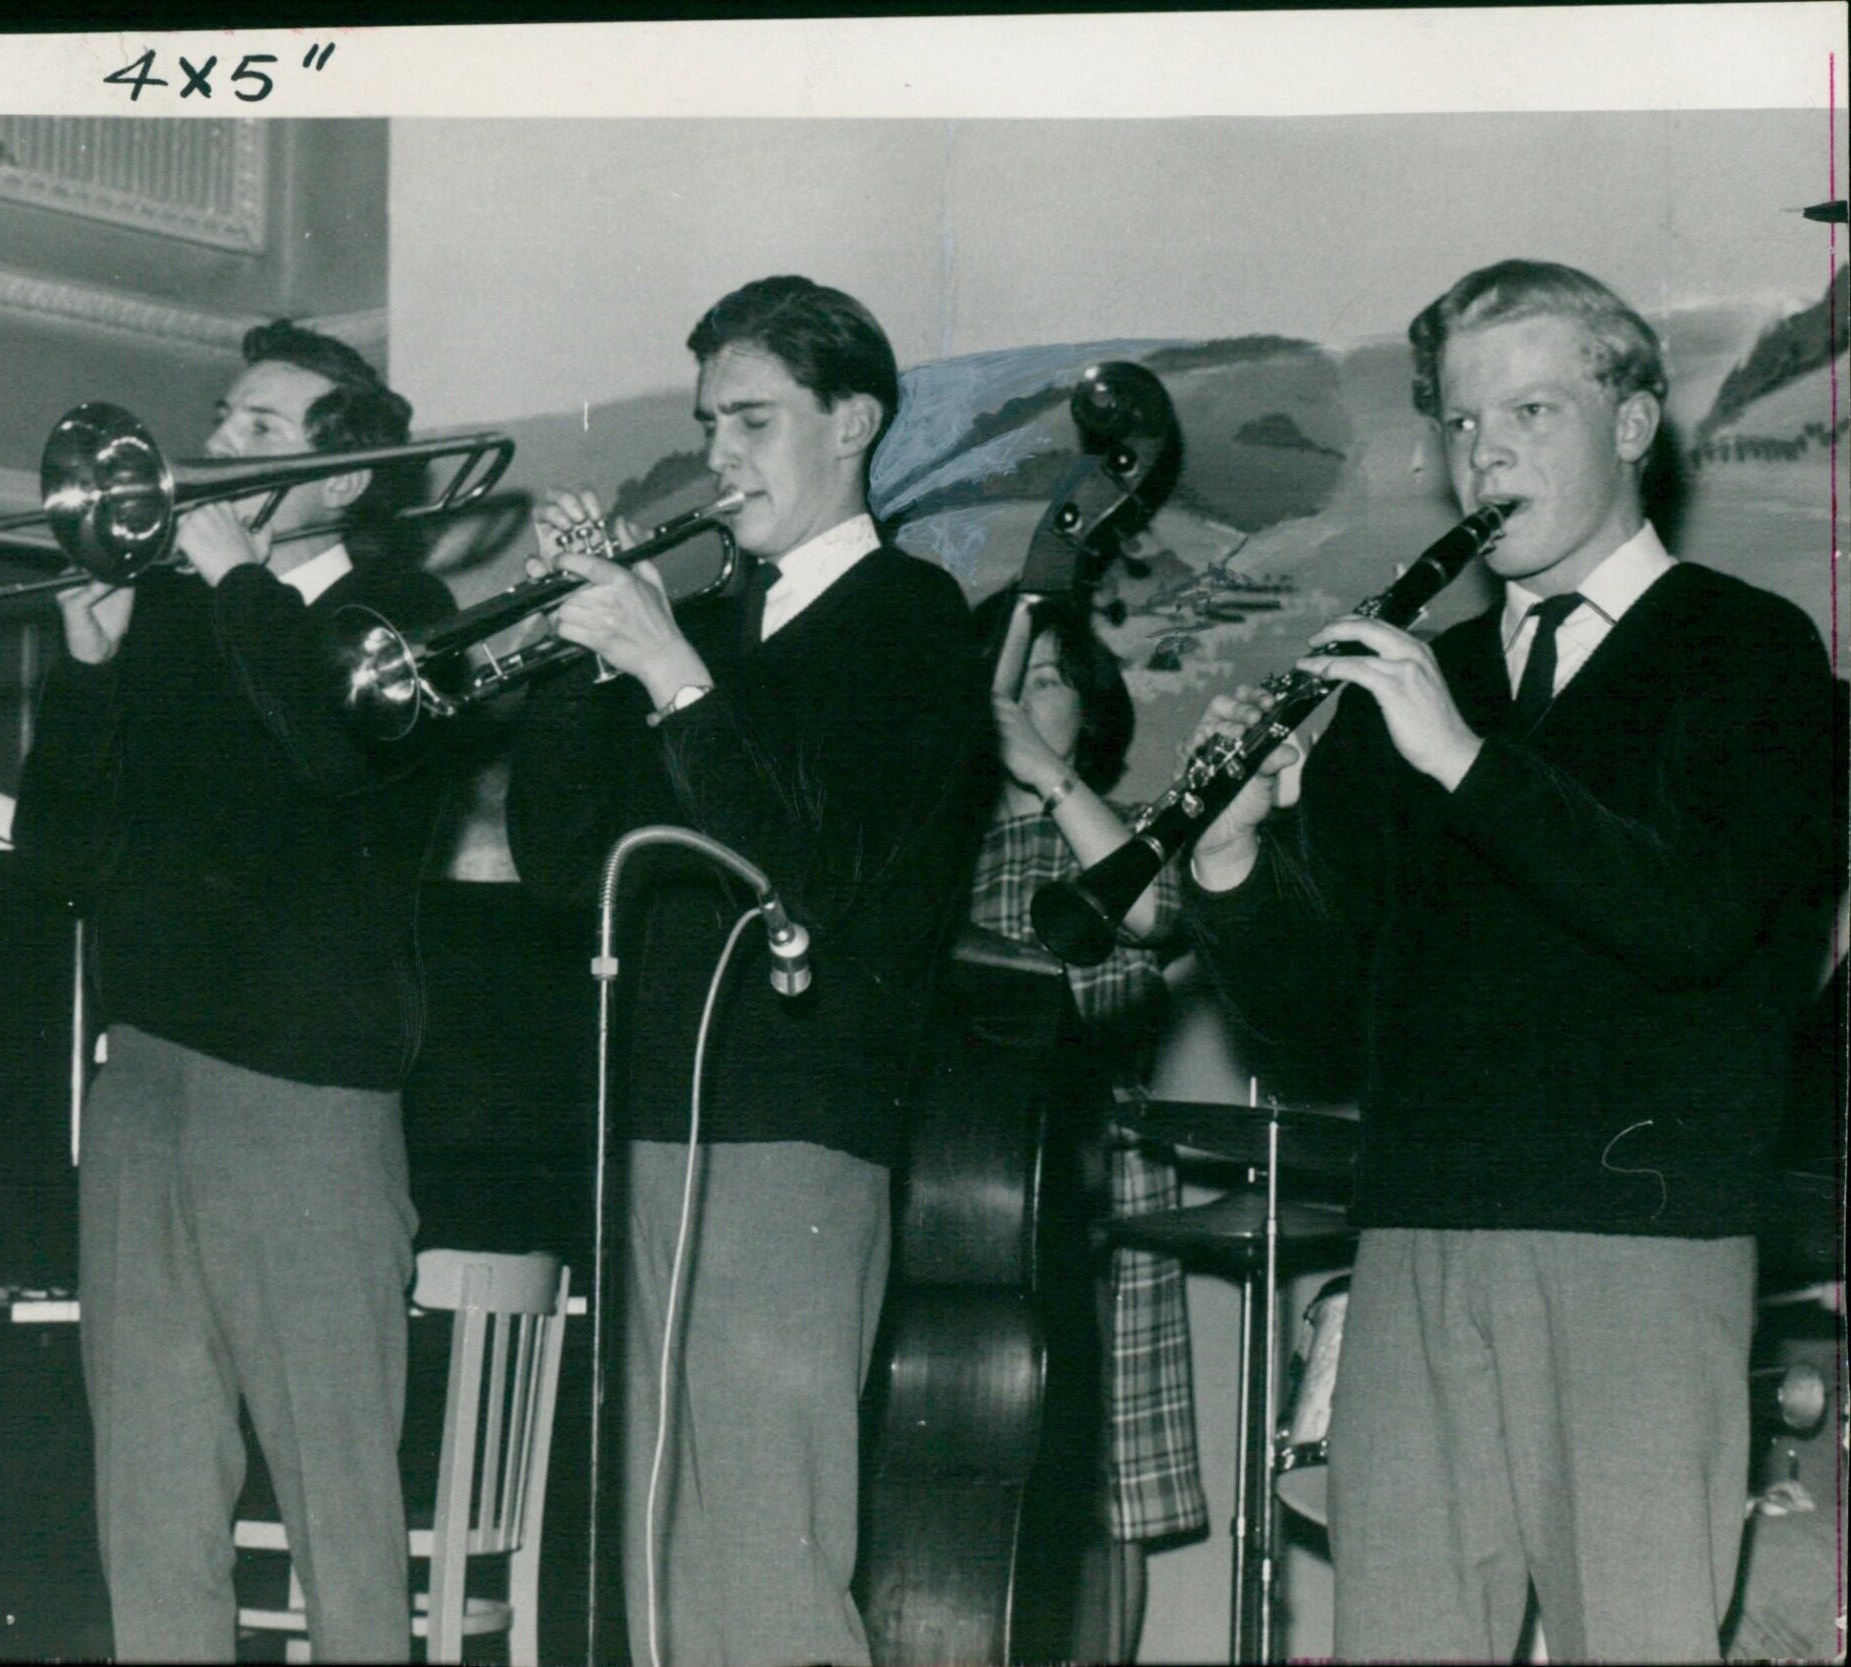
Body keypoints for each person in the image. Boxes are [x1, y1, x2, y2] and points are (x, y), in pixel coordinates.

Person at [1176, 259, 1836, 1662]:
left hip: (1639, 1246)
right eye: (1463, 422)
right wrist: (1229, 861)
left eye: (1532, 411)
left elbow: (1696, 920)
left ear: (1634, 422)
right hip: (1416, 1234)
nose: (1485, 453)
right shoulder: (1424, 683)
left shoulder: (1751, 651)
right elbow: (1318, 1016)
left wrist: (1466, 762)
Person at [505, 275, 986, 1667]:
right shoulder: (711, 632)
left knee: (770, 1549)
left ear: (854, 421)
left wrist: (667, 669)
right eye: (708, 423)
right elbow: (559, 861)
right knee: (664, 1558)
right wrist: (578, 656)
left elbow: (812, 873)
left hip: (799, 1124)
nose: (718, 456)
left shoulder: (913, 617)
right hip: (661, 1114)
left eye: (752, 420)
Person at [12, 321, 455, 1661]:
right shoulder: (177, 616)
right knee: (149, 1494)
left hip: (306, 1096)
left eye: (259, 431)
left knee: (339, 1498)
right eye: (223, 418)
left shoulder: (406, 617)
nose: (212, 449)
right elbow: (58, 862)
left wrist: (240, 580)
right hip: (146, 1080)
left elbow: (332, 757)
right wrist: (87, 671)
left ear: (344, 477)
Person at [967, 589, 1209, 1660]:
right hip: (960, 1188)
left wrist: (1046, 779)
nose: (1021, 700)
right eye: (1004, 679)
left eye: (1047, 680)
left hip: (1095, 1182)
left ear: (1091, 708)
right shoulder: (937, 845)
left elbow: (1157, 913)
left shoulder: (1120, 826)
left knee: (1105, 1491)